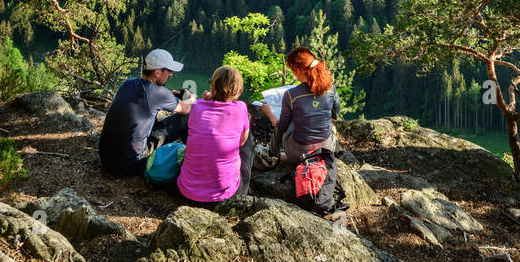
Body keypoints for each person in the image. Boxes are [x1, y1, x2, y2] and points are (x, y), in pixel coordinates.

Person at [99, 48, 194, 177]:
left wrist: (169, 95)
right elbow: (186, 108)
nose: (171, 74)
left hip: (106, 160)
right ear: (158, 72)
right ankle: (196, 161)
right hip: (130, 165)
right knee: (185, 117)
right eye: (169, 70)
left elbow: (149, 99)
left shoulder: (128, 83)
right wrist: (191, 97)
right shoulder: (159, 93)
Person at [177, 65, 255, 206]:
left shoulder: (196, 106)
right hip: (223, 197)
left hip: (188, 193)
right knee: (248, 137)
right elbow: (241, 143)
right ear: (237, 90)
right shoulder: (241, 107)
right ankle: (246, 188)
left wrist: (212, 97)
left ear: (213, 87)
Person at [268, 47, 340, 163]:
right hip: (326, 149)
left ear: (298, 70)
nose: (294, 74)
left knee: (289, 122)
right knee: (328, 124)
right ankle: (333, 152)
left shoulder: (291, 94)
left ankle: (272, 154)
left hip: (297, 154)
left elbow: (282, 126)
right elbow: (335, 115)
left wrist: (269, 112)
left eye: (293, 70)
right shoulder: (330, 89)